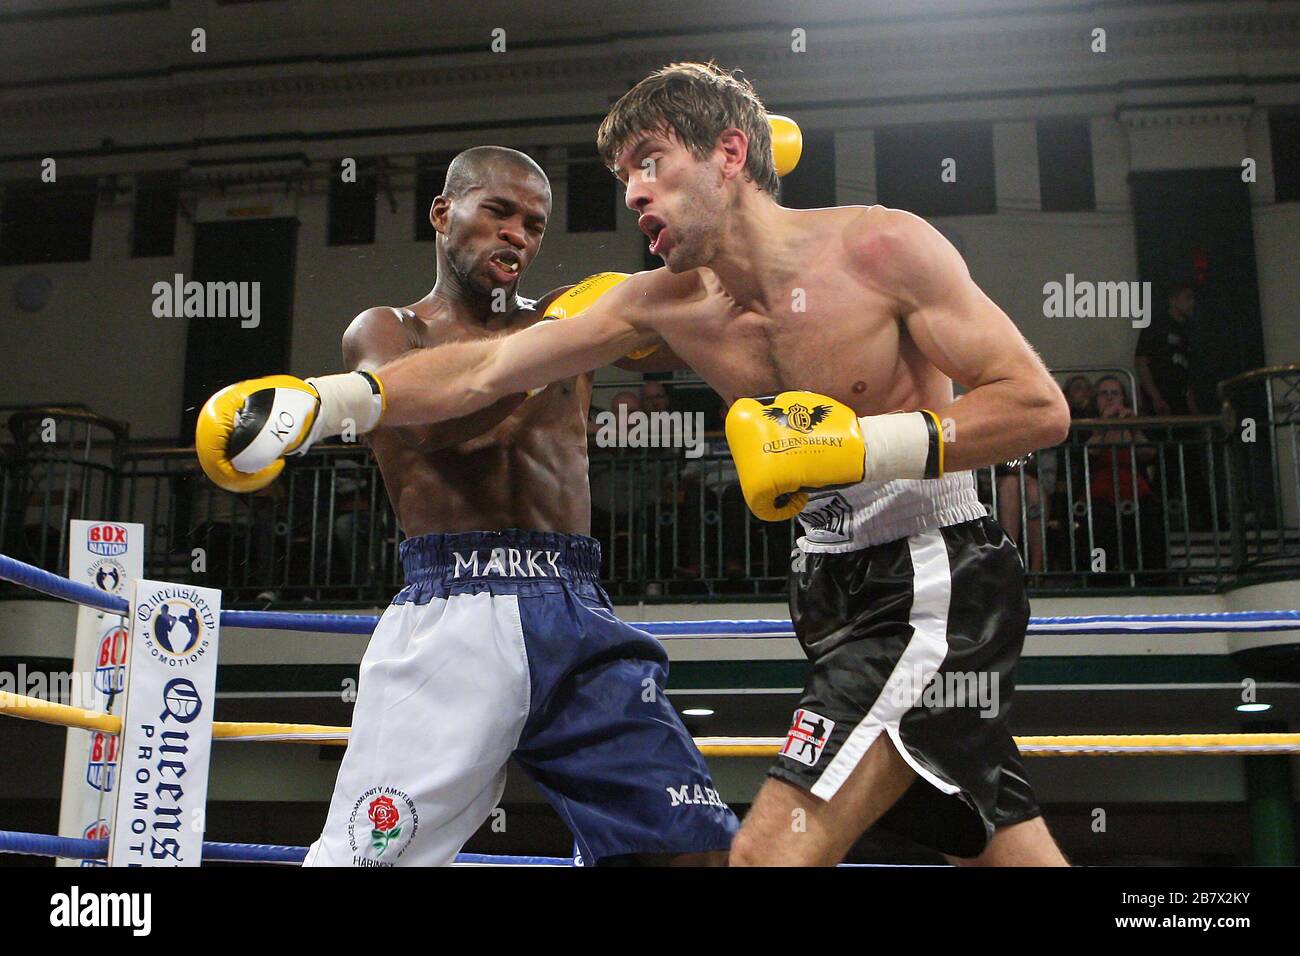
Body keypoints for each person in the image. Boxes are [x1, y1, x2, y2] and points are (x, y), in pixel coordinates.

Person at [208, 63, 1071, 867]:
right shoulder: (668, 303)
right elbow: (484, 369)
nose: (634, 194)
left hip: (931, 576)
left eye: (651, 163)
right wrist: (329, 402)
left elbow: (1037, 405)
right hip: (828, 581)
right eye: (625, 175)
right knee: (1002, 848)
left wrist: (863, 446)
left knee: (763, 856)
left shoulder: (882, 249)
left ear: (730, 153)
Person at [196, 145, 734, 866]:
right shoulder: (390, 330)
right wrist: (554, 349)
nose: (518, 234)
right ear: (444, 214)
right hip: (454, 609)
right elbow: (422, 415)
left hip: (576, 610)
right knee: (368, 858)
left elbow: (707, 302)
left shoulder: (570, 319)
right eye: (499, 212)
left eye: (535, 225)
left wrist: (726, 193)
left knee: (688, 848)